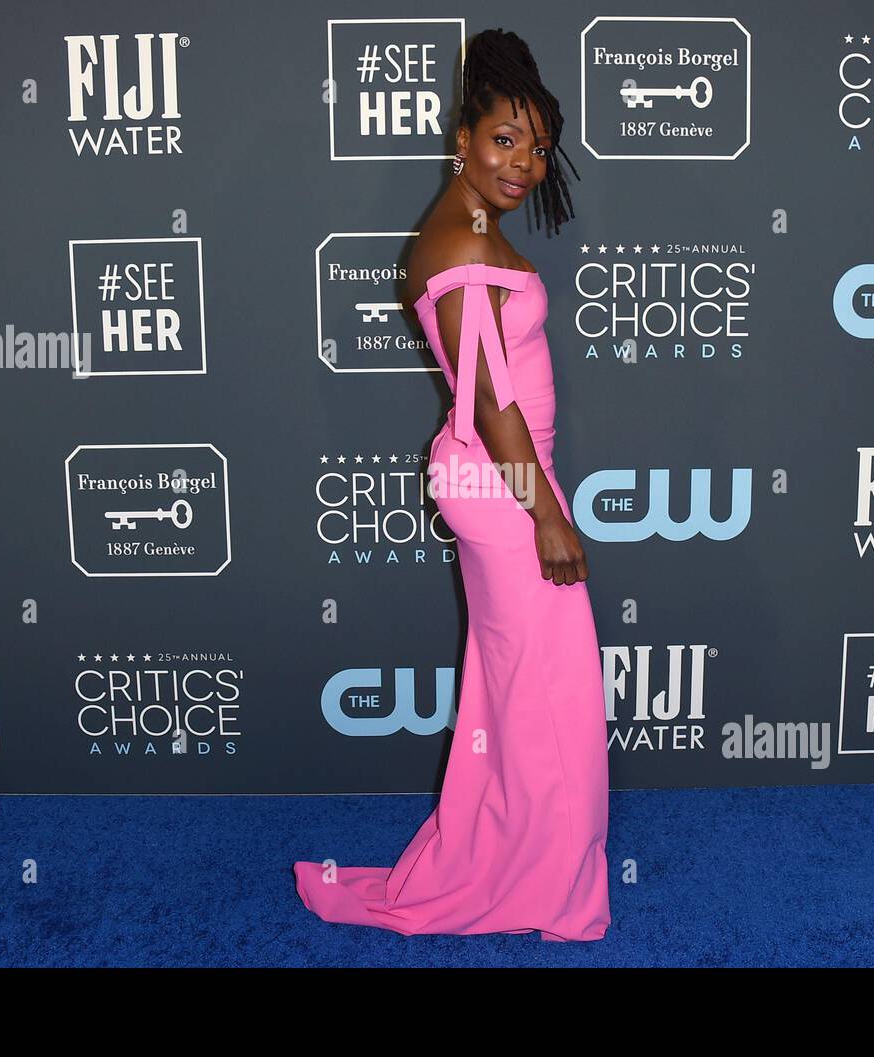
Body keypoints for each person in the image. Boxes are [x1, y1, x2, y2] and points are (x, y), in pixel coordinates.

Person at [293, 27, 610, 941]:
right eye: (505, 139)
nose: (525, 162)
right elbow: (491, 400)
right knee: (544, 698)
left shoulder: (471, 231)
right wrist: (547, 514)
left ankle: (527, 863)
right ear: (460, 138)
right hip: (508, 491)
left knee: (522, 696)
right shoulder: (457, 249)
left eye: (539, 144)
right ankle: (540, 882)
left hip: (509, 483)